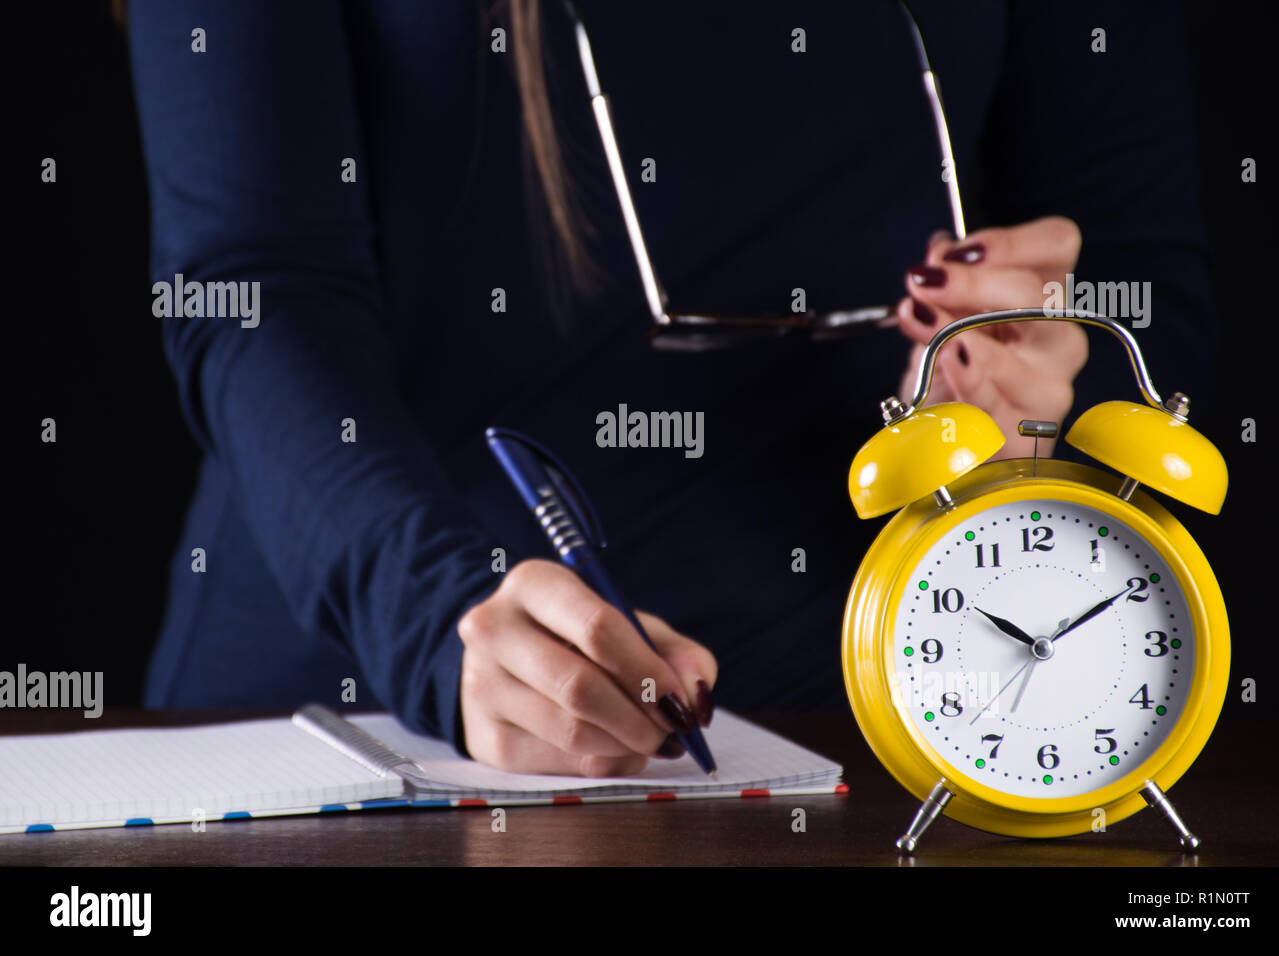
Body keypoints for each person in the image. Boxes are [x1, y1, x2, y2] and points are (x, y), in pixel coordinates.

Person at [125, 0, 1214, 776]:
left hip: (909, 713)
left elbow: (1138, 267)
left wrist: (1052, 386)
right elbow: (250, 286)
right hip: (367, 713)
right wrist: (432, 616)